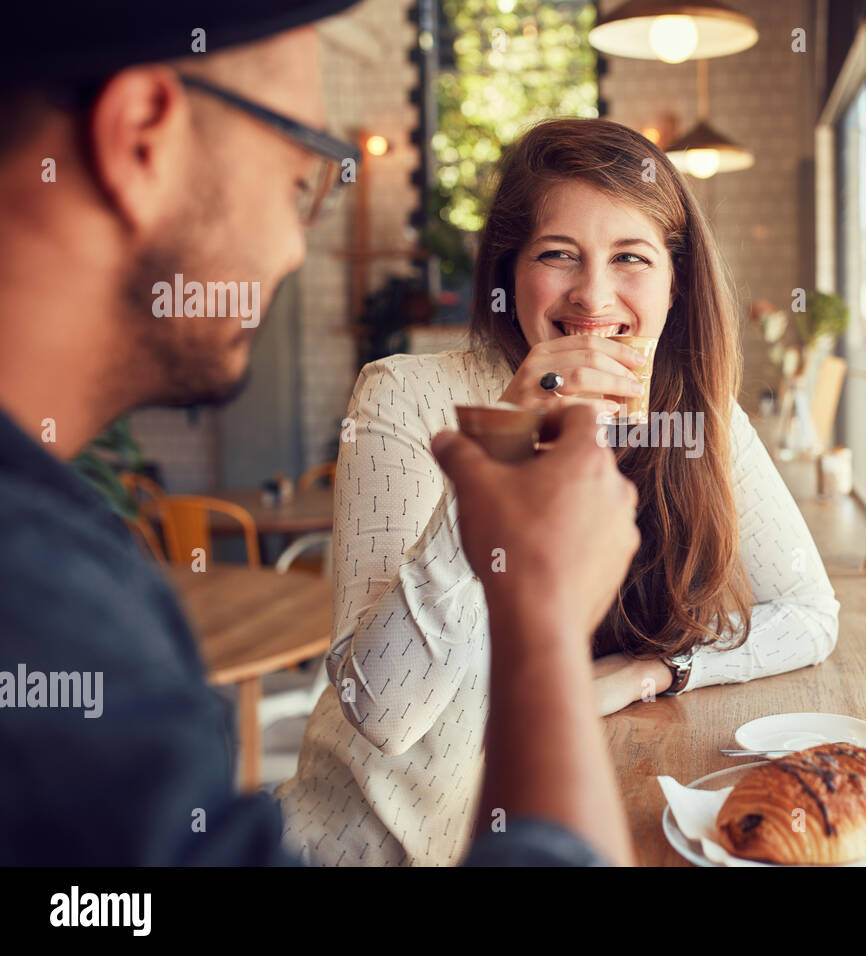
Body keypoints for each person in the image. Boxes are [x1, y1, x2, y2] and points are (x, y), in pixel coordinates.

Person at [0, 1, 636, 867]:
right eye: (305, 179)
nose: (298, 249)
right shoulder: (40, 607)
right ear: (140, 137)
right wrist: (543, 613)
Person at [278, 117, 841, 865]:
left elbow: (809, 614)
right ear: (510, 274)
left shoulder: (699, 419)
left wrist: (658, 670)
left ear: (675, 284)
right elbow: (379, 710)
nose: (593, 295)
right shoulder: (403, 396)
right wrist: (503, 447)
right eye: (558, 255)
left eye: (631, 258)